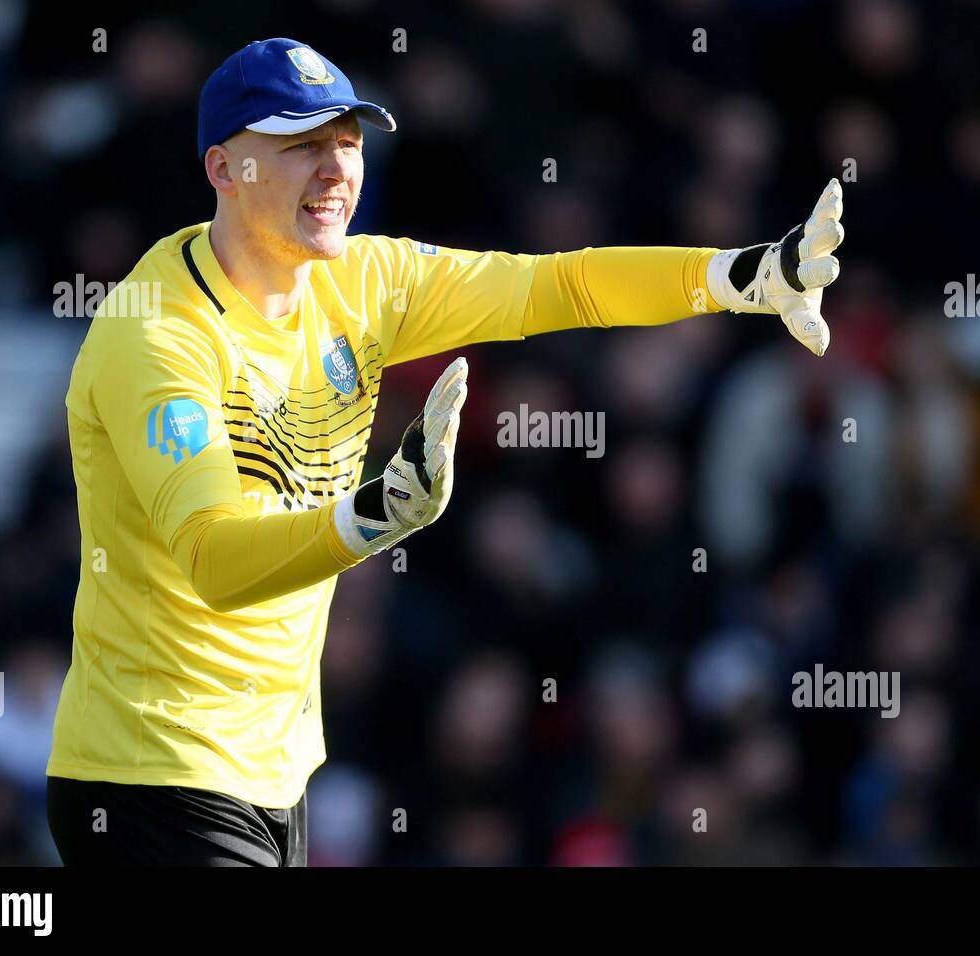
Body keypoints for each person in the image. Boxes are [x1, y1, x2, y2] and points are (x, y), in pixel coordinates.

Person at [44, 37, 845, 866]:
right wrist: (369, 520)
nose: (334, 170)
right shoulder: (160, 333)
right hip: (147, 778)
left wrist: (734, 277)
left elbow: (555, 287)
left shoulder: (365, 280)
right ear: (223, 168)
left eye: (347, 142)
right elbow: (212, 559)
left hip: (272, 777)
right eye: (300, 145)